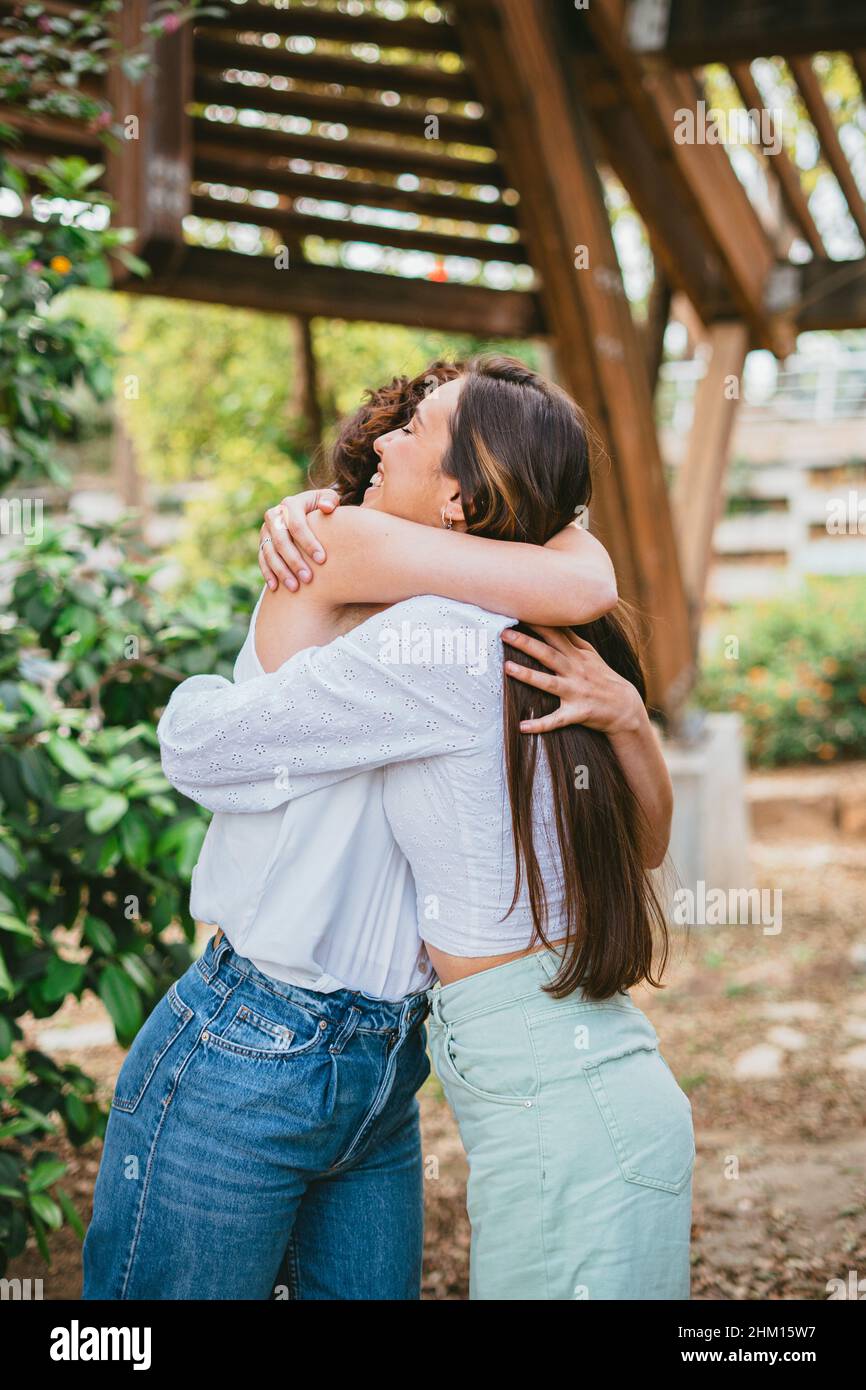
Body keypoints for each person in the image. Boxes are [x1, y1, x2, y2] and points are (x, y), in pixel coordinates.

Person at [81, 356, 642, 1300]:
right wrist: (205, 700)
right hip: (248, 1041)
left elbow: (583, 565)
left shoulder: (484, 617)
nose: (381, 441)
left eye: (413, 433)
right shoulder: (335, 548)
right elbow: (585, 574)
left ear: (469, 492)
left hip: (385, 1060)